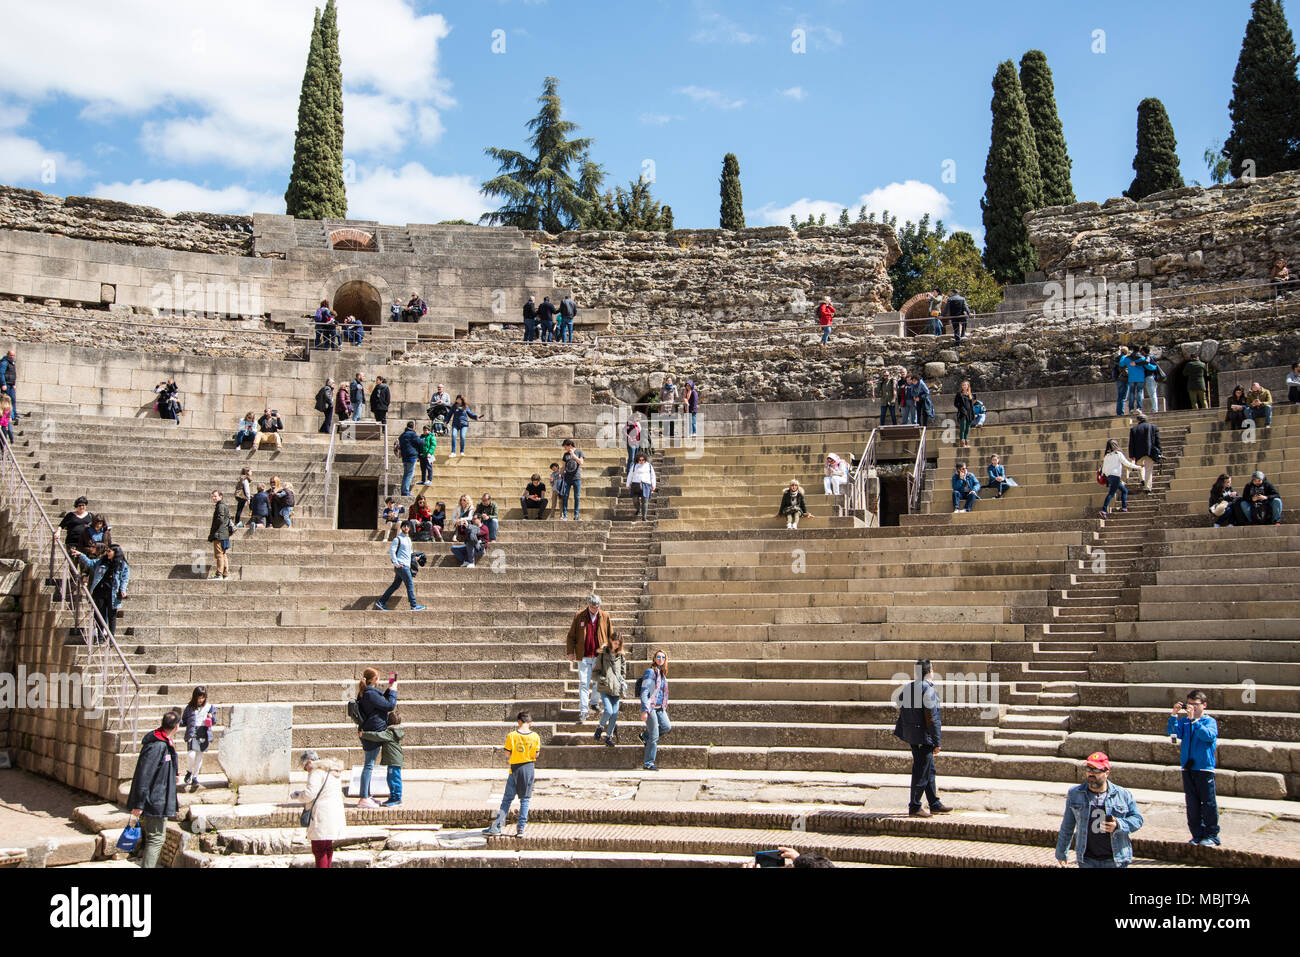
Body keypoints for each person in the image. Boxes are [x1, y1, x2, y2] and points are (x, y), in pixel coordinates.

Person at [1054, 752, 1144, 868]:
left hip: (1115, 859)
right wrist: (1061, 852)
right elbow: (1067, 825)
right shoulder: (1075, 793)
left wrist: (1118, 824)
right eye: (1088, 768)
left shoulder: (1123, 794)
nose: (1091, 773)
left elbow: (1137, 820)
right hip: (1086, 860)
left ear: (1106, 773)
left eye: (1096, 770)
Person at [892, 659, 951, 817]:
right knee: (921, 771)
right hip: (923, 737)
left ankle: (934, 803)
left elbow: (901, 705)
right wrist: (937, 742)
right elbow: (932, 718)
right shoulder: (928, 690)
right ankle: (915, 806)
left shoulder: (908, 687)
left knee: (929, 769)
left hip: (912, 735)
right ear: (930, 671)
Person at [126, 710, 181, 868]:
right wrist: (139, 803)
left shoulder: (164, 741)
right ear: (176, 727)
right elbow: (144, 774)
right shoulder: (157, 746)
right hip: (154, 799)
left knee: (156, 838)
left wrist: (173, 772)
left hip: (159, 798)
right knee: (156, 838)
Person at [1167, 692, 1220, 847]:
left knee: (1208, 803)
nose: (1192, 707)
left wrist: (1194, 721)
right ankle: (1196, 835)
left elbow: (1208, 736)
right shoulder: (1184, 721)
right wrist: (1173, 715)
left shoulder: (1210, 721)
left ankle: (1212, 835)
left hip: (1204, 768)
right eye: (1189, 704)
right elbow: (1173, 734)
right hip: (1187, 768)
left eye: (1195, 704)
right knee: (1192, 804)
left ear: (1204, 705)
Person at [482, 711, 541, 838]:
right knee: (525, 799)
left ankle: (497, 826)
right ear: (530, 723)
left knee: (507, 799)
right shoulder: (535, 736)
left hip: (515, 769)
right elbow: (536, 754)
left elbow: (507, 754)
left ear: (519, 721)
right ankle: (521, 828)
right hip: (529, 768)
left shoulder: (512, 735)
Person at [352, 667, 397, 807]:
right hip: (372, 733)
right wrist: (393, 689)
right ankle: (363, 798)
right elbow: (389, 705)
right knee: (369, 765)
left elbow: (382, 701)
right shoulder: (370, 694)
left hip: (371, 731)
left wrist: (390, 689)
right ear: (374, 680)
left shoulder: (367, 692)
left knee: (369, 764)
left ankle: (367, 795)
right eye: (378, 678)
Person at [292, 750, 345, 867]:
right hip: (333, 812)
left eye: (305, 767)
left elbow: (309, 794)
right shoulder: (331, 770)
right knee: (327, 847)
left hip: (321, 814)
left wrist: (298, 795)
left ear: (309, 762)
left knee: (319, 849)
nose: (306, 770)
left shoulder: (316, 772)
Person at [70, 542, 128, 644]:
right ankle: (100, 638)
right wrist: (81, 555)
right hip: (99, 591)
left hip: (113, 593)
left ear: (116, 552)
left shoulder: (122, 565)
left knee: (111, 615)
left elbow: (124, 578)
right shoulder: (102, 561)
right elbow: (91, 563)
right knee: (99, 615)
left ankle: (111, 638)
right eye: (107, 551)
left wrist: (123, 590)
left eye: (110, 551)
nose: (108, 553)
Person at [565, 595, 611, 722]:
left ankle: (594, 702)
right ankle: (583, 710)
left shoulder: (605, 616)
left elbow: (610, 635)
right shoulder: (579, 615)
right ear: (588, 605)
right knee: (584, 683)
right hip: (584, 656)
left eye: (597, 607)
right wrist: (570, 652)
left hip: (599, 656)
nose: (594, 609)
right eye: (592, 607)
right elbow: (571, 636)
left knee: (598, 682)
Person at [376, 522, 425, 610]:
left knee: (395, 585)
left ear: (409, 528)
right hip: (402, 566)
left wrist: (415, 558)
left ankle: (381, 602)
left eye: (408, 526)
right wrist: (396, 563)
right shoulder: (397, 539)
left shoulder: (408, 539)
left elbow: (409, 552)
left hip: (405, 565)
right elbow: (392, 552)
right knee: (410, 584)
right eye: (404, 526)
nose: (406, 527)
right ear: (402, 527)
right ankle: (413, 605)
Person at [361, 711, 405, 808]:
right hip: (393, 760)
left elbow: (377, 736)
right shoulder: (395, 732)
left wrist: (364, 734)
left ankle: (397, 799)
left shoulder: (389, 733)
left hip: (394, 760)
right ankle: (393, 797)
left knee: (394, 779)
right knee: (391, 779)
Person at [592, 634, 628, 746]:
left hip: (616, 690)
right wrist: (602, 679)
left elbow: (623, 672)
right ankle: (600, 727)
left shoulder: (621, 656)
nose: (617, 645)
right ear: (611, 641)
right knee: (608, 711)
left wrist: (621, 681)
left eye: (619, 644)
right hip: (605, 688)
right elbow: (594, 674)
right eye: (615, 643)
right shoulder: (602, 655)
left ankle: (608, 737)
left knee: (615, 714)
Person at [638, 650, 671, 771]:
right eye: (658, 656)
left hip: (660, 708)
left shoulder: (662, 674)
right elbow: (645, 691)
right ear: (654, 658)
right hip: (650, 707)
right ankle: (648, 763)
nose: (660, 659)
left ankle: (644, 736)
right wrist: (644, 710)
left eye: (663, 657)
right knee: (654, 735)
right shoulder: (650, 672)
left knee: (666, 726)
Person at [180, 686, 216, 793]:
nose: (201, 700)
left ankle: (195, 777)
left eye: (203, 698)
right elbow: (184, 720)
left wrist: (211, 717)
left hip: (203, 732)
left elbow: (214, 721)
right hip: (193, 732)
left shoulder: (209, 707)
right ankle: (189, 771)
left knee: (199, 756)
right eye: (199, 698)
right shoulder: (189, 707)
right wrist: (176, 722)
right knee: (191, 755)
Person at [1099, 439, 1140, 517]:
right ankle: (1104, 510)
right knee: (1111, 493)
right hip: (1115, 476)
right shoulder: (1118, 454)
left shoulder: (1107, 456)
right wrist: (1138, 467)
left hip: (1110, 477)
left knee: (1124, 490)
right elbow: (1126, 463)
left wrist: (1107, 476)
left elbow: (1104, 469)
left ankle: (1124, 507)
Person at [1127, 411, 1162, 494]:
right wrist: (1160, 451)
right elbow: (1158, 441)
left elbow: (1131, 443)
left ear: (1138, 420)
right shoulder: (1153, 427)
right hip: (1150, 452)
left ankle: (1142, 480)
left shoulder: (1134, 429)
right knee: (1149, 470)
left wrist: (1131, 455)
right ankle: (1147, 488)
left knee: (1140, 467)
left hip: (1138, 453)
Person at [626, 451, 657, 521]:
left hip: (646, 485)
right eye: (639, 460)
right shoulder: (634, 466)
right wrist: (627, 484)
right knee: (635, 500)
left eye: (643, 460)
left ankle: (644, 517)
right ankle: (638, 509)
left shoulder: (649, 466)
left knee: (645, 501)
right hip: (635, 484)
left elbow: (653, 476)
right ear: (637, 460)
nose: (641, 461)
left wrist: (653, 485)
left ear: (645, 459)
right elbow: (630, 475)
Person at [208, 490, 231, 580]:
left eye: (215, 496)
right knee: (223, 554)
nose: (214, 498)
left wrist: (214, 531)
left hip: (219, 534)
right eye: (213, 496)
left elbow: (220, 519)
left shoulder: (220, 506)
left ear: (221, 496)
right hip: (224, 534)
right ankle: (225, 573)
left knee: (219, 554)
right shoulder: (223, 505)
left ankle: (219, 574)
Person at [558, 439, 584, 520]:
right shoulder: (565, 455)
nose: (564, 448)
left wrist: (573, 455)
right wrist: (560, 474)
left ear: (569, 445)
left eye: (565, 446)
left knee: (577, 497)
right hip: (567, 478)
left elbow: (581, 462)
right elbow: (563, 466)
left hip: (576, 478)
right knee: (565, 496)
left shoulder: (579, 452)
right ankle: (565, 515)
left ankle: (576, 515)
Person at [397, 421, 421, 497]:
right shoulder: (413, 434)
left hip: (404, 457)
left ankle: (403, 490)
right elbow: (420, 442)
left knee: (405, 474)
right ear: (413, 427)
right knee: (409, 474)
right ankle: (406, 491)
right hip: (411, 456)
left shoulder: (402, 435)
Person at [1120, 347, 1147, 413]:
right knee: (1139, 392)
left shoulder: (1127, 358)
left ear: (1132, 350)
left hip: (1131, 378)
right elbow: (1147, 365)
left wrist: (1123, 356)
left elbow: (1121, 364)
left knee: (1131, 393)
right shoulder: (1142, 358)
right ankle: (1139, 408)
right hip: (1140, 377)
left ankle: (1131, 409)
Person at [954, 380, 976, 449]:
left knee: (967, 428)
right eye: (963, 385)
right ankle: (962, 443)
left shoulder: (970, 395)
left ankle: (966, 442)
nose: (964, 386)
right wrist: (961, 409)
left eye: (965, 385)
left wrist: (973, 413)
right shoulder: (959, 394)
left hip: (969, 413)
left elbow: (971, 405)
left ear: (968, 386)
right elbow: (956, 403)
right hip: (963, 413)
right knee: (962, 428)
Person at [1142, 347, 1161, 412]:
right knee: (1153, 393)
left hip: (1149, 377)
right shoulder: (1153, 357)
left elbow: (1149, 366)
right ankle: (1155, 408)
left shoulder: (1147, 358)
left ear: (1143, 351)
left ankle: (1154, 409)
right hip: (1154, 377)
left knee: (1152, 394)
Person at [1112, 346, 1130, 416]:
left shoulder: (1116, 358)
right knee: (1123, 397)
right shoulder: (1125, 358)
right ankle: (1121, 412)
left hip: (1118, 379)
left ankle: (1118, 412)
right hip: (1124, 379)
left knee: (1119, 396)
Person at [0, 348, 16, 422]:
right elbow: (1, 373)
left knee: (13, 400)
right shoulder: (4, 362)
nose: (12, 356)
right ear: (8, 355)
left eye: (13, 355)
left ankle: (14, 415)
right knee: (7, 401)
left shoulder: (12, 363)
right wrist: (3, 384)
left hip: (11, 384)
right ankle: (10, 416)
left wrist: (14, 384)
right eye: (11, 355)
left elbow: (13, 374)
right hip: (6, 384)